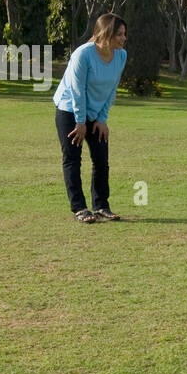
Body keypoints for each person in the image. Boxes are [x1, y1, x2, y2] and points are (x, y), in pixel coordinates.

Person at [52, 13, 128, 223]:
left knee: (102, 160)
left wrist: (101, 119)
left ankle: (101, 205)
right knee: (72, 158)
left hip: (95, 113)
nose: (123, 39)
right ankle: (79, 208)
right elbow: (77, 90)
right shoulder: (82, 55)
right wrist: (80, 121)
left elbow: (112, 89)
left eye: (124, 34)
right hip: (70, 110)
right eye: (119, 34)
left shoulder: (121, 56)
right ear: (106, 34)